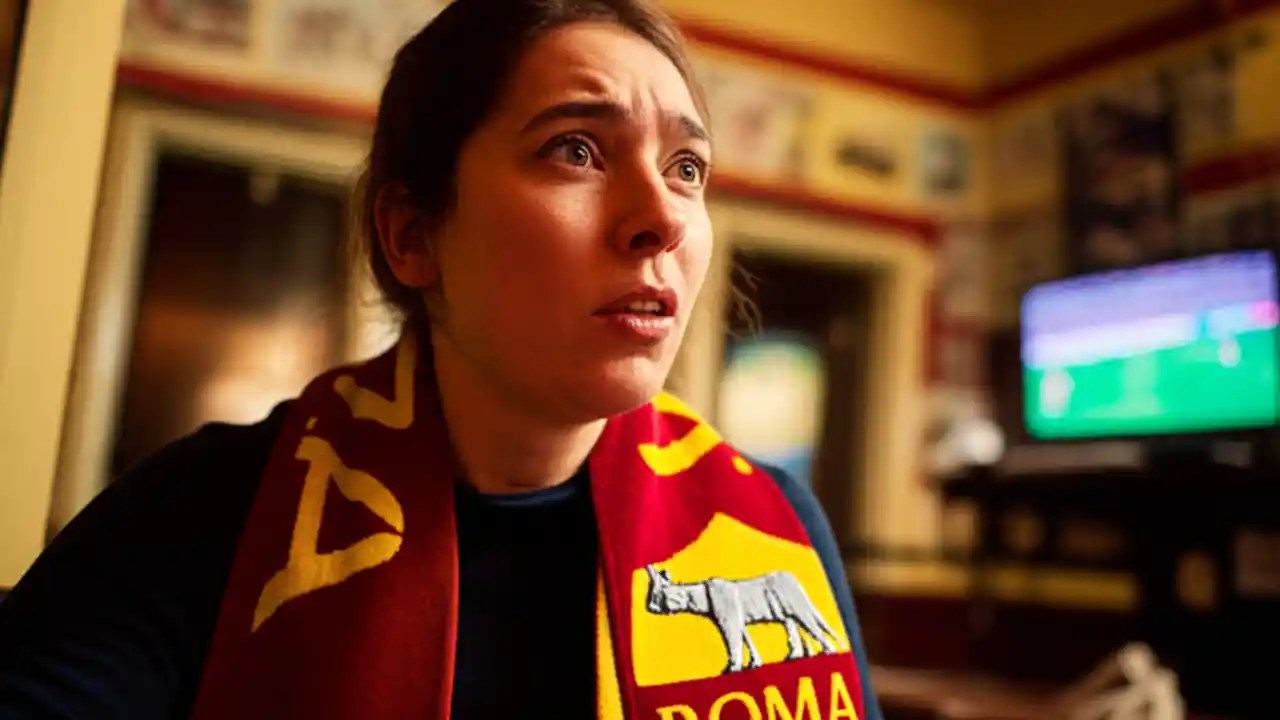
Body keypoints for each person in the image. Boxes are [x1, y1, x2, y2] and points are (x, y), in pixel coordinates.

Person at [0, 0, 883, 717]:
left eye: (687, 166)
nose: (664, 216)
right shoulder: (206, 514)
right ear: (414, 235)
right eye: (575, 149)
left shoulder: (776, 528)